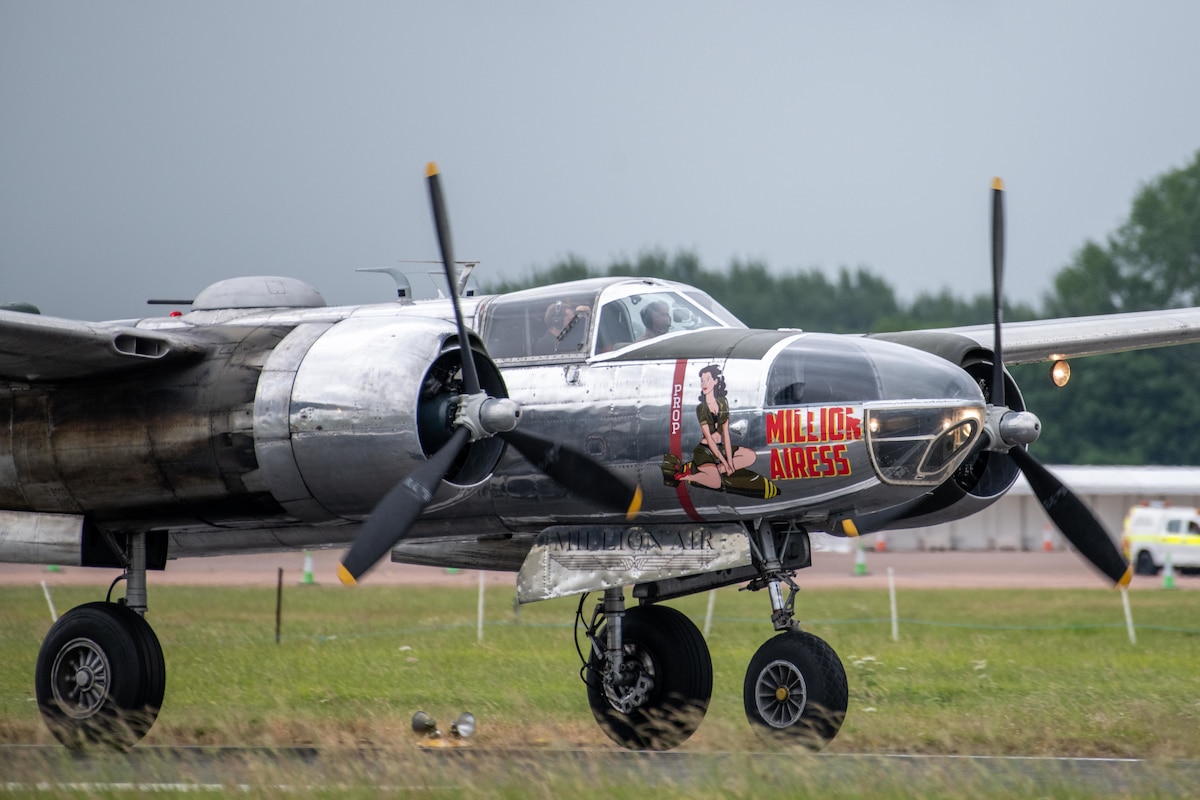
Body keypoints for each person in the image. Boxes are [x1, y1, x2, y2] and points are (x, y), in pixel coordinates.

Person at [675, 365, 758, 488]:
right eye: (702, 380)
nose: (704, 383)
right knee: (715, 483)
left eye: (708, 379)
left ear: (715, 381)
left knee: (751, 456)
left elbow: (726, 435)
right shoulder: (701, 408)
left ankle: (711, 471)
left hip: (720, 448)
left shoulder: (723, 403)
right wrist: (726, 463)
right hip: (705, 450)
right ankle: (689, 476)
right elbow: (709, 438)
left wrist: (730, 463)